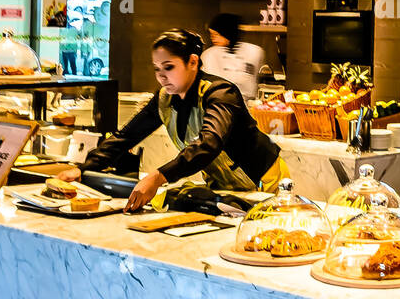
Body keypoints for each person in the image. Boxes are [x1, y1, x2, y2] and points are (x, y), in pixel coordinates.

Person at [57, 28, 288, 211]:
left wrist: (158, 177)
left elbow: (209, 143)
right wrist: (85, 168)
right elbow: (127, 136)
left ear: (193, 62)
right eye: (157, 69)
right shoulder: (164, 99)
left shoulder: (220, 93)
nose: (161, 77)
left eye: (169, 67)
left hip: (263, 182)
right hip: (225, 187)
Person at [201, 12, 265, 101]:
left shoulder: (254, 52)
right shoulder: (209, 55)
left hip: (248, 105)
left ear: (227, 33)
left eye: (216, 35)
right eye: (211, 34)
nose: (212, 38)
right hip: (219, 104)